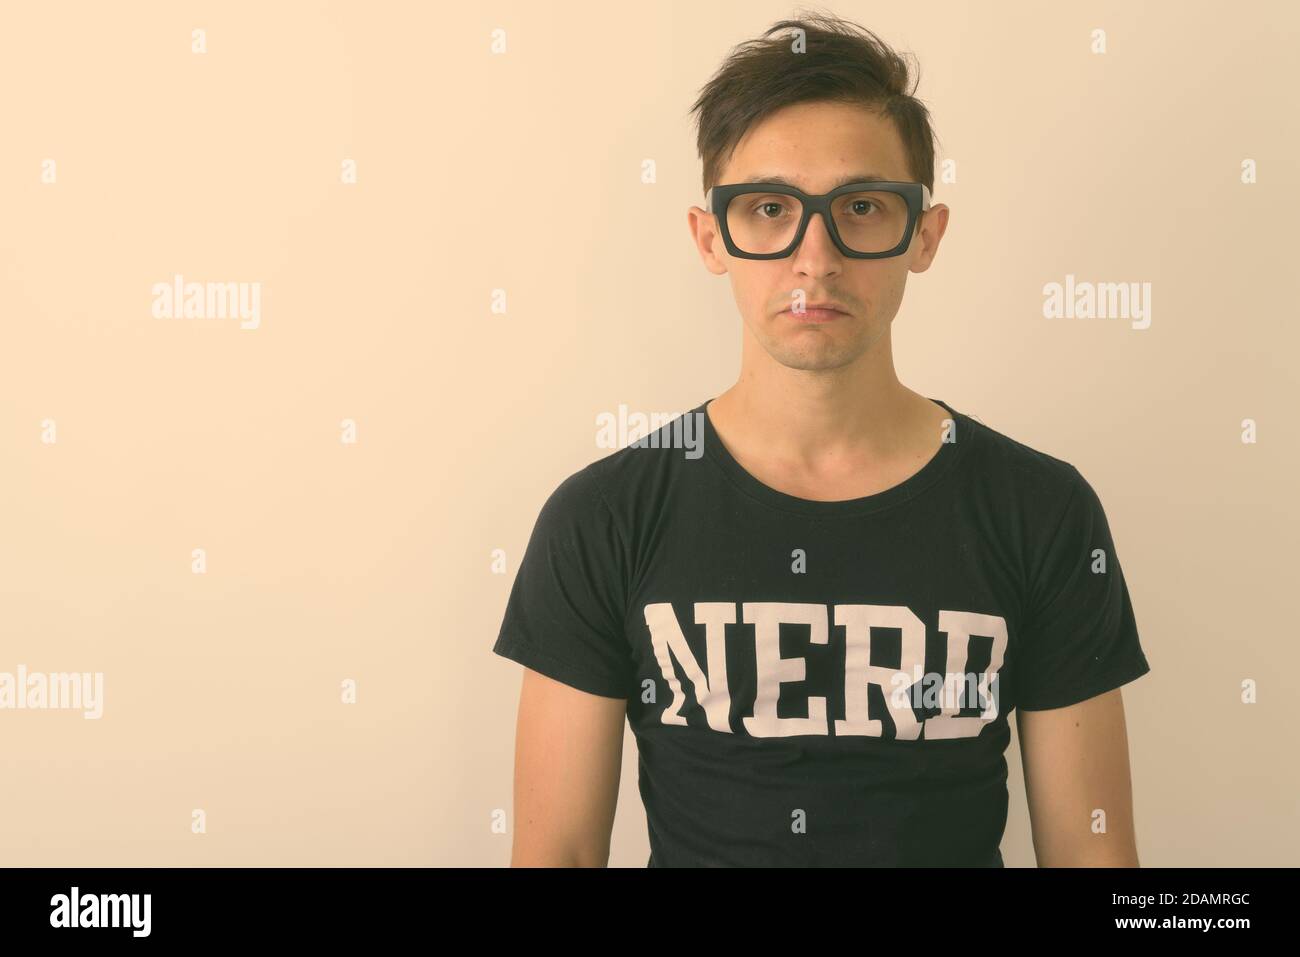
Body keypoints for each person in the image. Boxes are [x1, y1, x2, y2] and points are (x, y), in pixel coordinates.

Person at [492, 12, 1151, 867]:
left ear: (924, 233)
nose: (815, 256)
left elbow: (1095, 862)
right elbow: (558, 857)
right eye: (769, 208)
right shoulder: (603, 516)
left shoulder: (1042, 510)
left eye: (862, 207)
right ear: (710, 237)